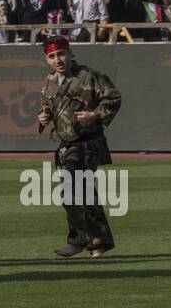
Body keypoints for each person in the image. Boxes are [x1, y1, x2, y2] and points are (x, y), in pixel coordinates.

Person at [36, 36, 121, 257]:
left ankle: (81, 239)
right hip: (66, 145)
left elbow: (113, 98)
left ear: (70, 53)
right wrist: (43, 117)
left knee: (73, 189)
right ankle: (97, 240)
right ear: (47, 60)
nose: (57, 60)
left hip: (88, 142)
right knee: (80, 192)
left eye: (61, 54)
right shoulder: (50, 81)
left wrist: (95, 114)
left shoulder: (89, 76)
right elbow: (47, 107)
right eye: (52, 56)